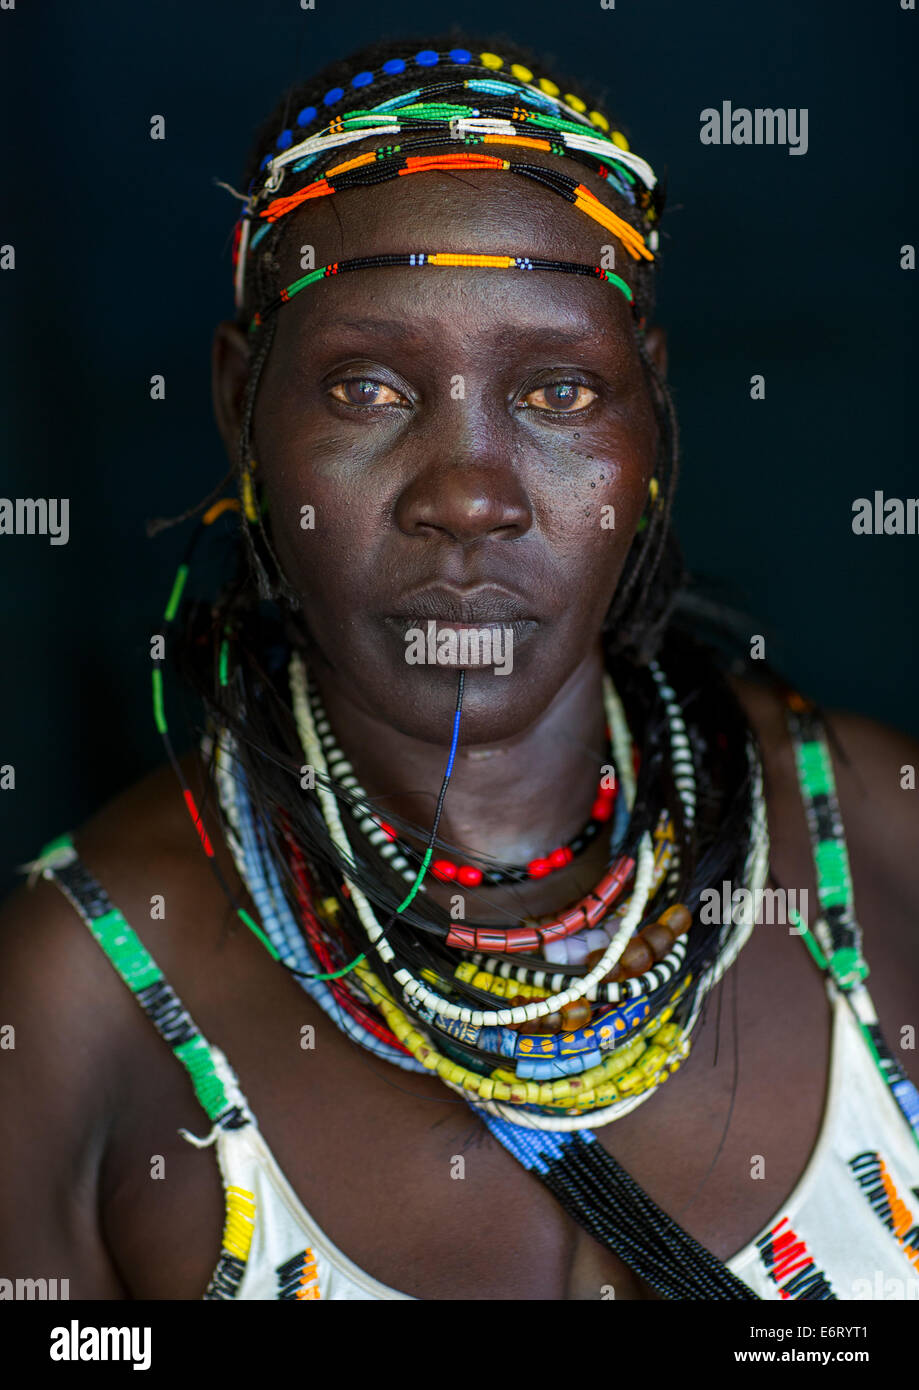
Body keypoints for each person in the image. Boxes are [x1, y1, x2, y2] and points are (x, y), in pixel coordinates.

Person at [2, 33, 918, 1302]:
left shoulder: (875, 845)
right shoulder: (76, 995)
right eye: (368, 387)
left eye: (555, 391)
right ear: (241, 411)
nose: (469, 498)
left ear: (650, 412)